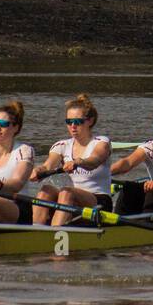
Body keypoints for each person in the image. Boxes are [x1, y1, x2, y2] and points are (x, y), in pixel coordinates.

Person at [30, 94, 114, 227]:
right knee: (45, 190)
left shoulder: (101, 142)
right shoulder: (62, 145)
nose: (73, 126)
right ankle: (35, 230)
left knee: (66, 191)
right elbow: (48, 165)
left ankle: (55, 232)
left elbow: (95, 160)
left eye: (78, 121)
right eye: (69, 122)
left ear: (90, 121)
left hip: (99, 201)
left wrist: (78, 162)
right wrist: (37, 171)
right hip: (71, 201)